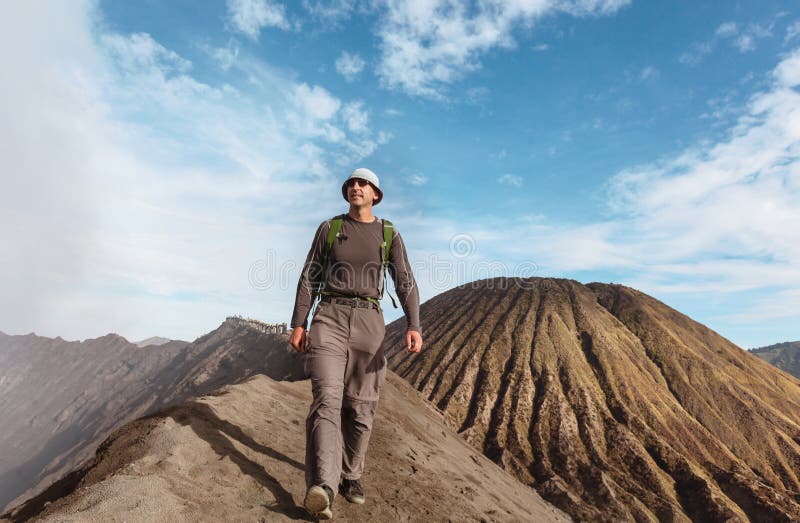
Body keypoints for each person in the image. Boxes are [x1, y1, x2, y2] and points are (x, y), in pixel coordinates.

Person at [289, 167, 423, 520]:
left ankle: (352, 475)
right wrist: (299, 322)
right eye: (351, 183)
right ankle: (323, 487)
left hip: (369, 321)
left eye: (363, 184)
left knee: (361, 408)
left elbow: (405, 281)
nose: (355, 187)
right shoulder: (330, 229)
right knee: (327, 400)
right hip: (329, 317)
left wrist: (414, 324)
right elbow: (309, 276)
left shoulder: (389, 233)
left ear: (376, 194)